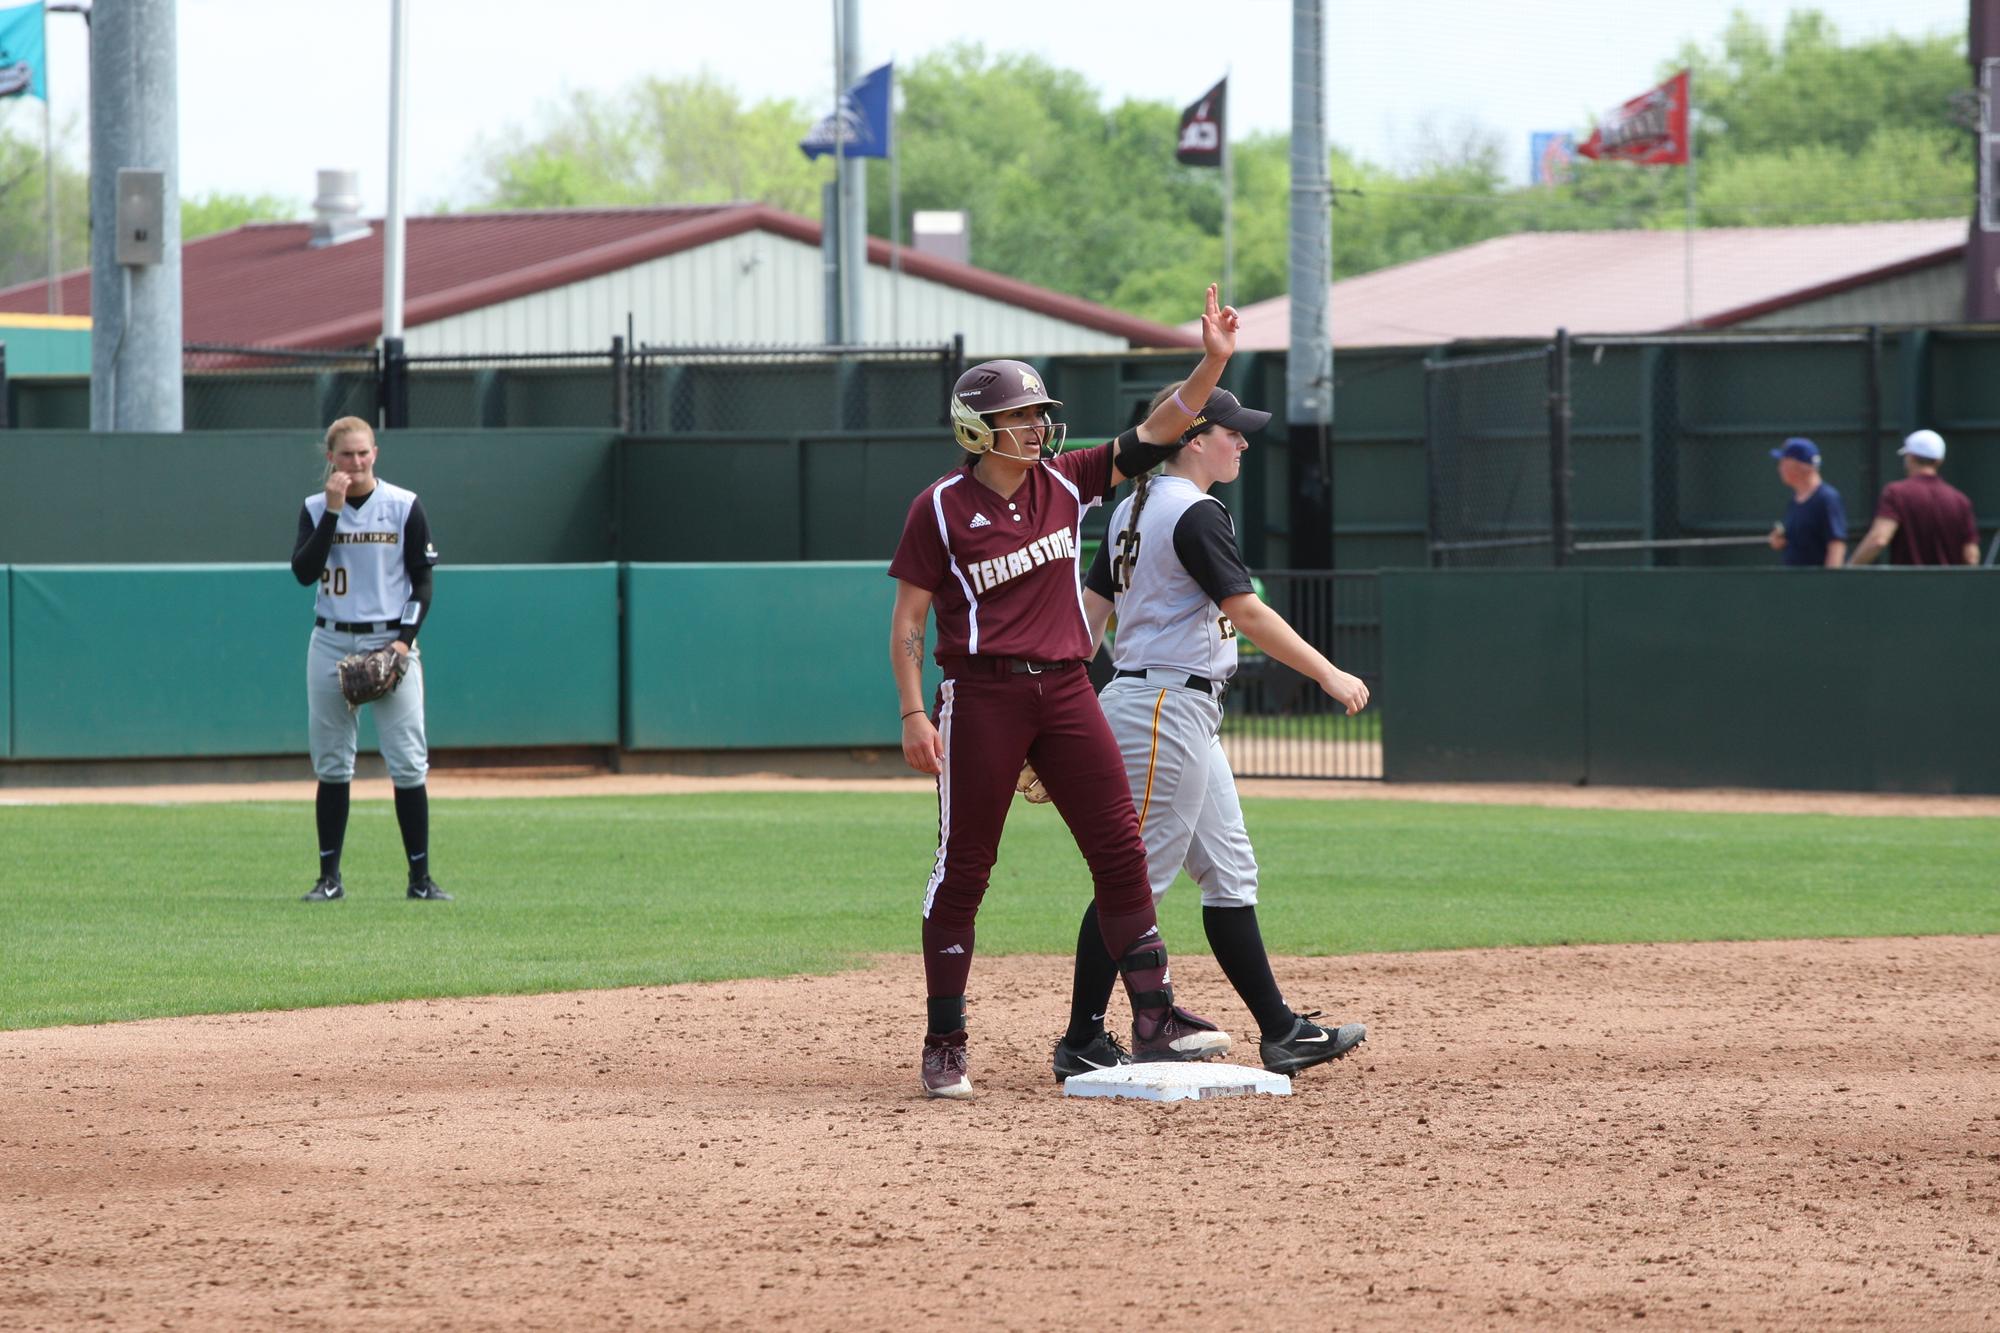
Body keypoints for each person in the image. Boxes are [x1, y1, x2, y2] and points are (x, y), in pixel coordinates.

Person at [889, 285, 1240, 1099]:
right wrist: (913, 708)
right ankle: (946, 1038)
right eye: (1021, 416)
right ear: (978, 429)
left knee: (1120, 850)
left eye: (1040, 413)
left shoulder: (1069, 481)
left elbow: (1158, 430)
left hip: (1069, 689)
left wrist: (1213, 359)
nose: (1039, 426)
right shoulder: (939, 509)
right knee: (965, 865)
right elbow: (908, 619)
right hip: (980, 695)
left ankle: (1152, 1016)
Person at [1048, 380, 1371, 1082]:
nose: (1243, 441)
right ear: (1193, 438)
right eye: (1231, 431)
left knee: (1229, 870)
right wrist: (1327, 673)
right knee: (1133, 879)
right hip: (1163, 703)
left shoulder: (1134, 506)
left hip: (1171, 703)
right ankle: (1081, 1037)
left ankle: (1283, 1030)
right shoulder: (1193, 512)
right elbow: (1247, 613)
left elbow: (1089, 613)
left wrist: (1068, 698)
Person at [290, 416, 449, 903]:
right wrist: (334, 513)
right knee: (333, 763)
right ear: (330, 459)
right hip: (332, 640)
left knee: (407, 762)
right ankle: (329, 879)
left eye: (363, 453)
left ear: (375, 453)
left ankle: (420, 880)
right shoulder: (317, 508)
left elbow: (422, 581)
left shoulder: (403, 506)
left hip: (389, 640)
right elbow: (304, 572)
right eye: (346, 455)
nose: (355, 463)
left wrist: (403, 644)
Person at [1848, 429, 1979, 567]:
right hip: (1949, 587)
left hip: (1906, 586)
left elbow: (1879, 539)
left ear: (1910, 457)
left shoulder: (1896, 493)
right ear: (1939, 461)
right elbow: (1971, 557)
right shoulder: (1960, 501)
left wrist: (1850, 568)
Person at [1765, 437, 1847, 568]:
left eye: (1784, 462)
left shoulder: (1827, 498)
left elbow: (1836, 545)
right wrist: (1781, 540)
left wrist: (1830, 583)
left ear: (1801, 465)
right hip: (1795, 583)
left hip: (1816, 585)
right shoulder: (1795, 500)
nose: (1779, 468)